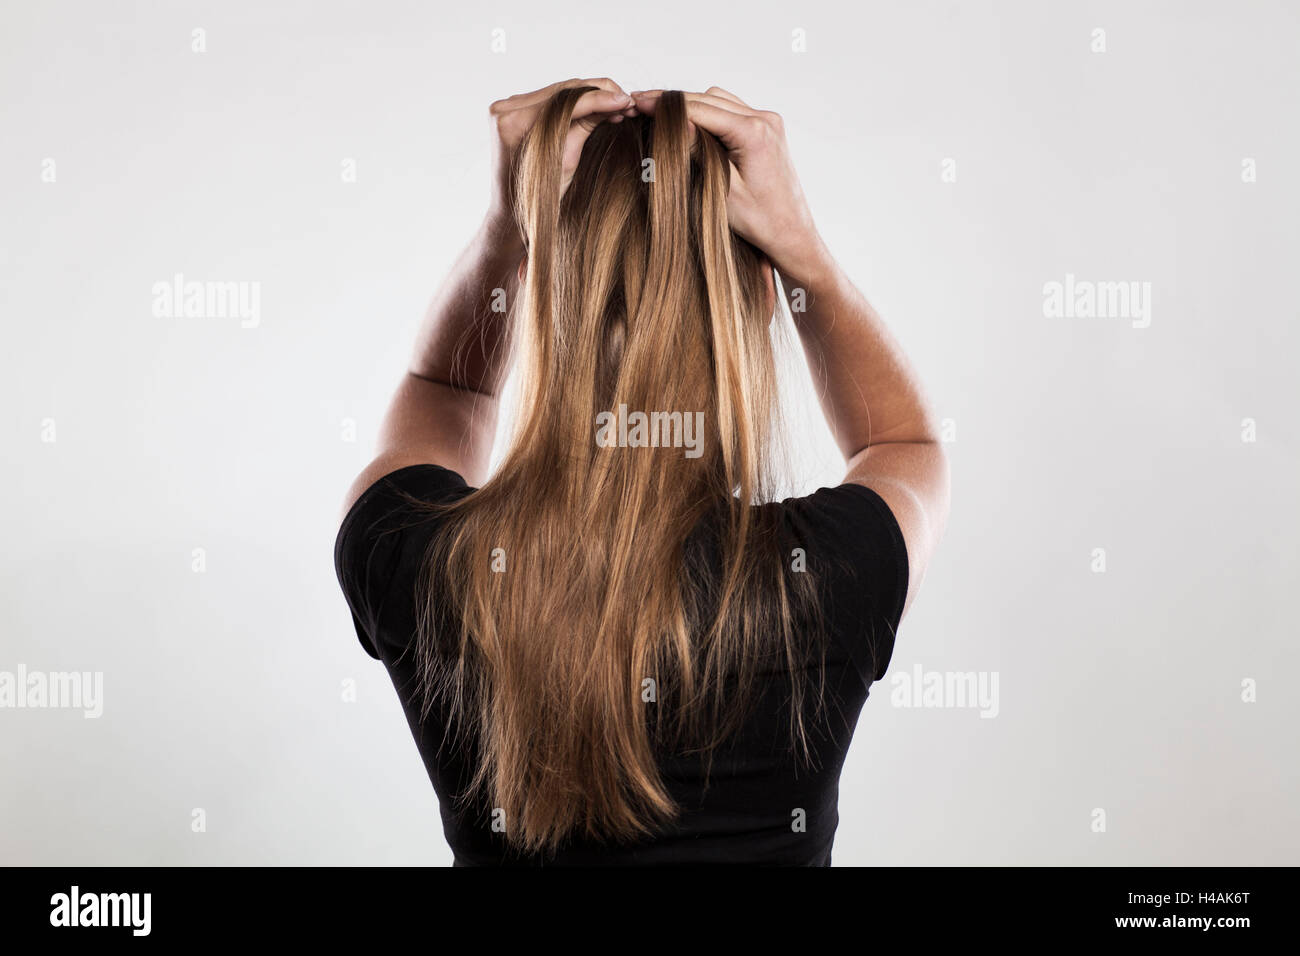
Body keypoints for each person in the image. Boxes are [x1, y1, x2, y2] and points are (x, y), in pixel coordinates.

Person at [334, 79, 950, 865]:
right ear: (764, 301)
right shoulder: (835, 574)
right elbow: (904, 443)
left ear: (542, 298)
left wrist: (505, 233)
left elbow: (445, 390)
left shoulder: (415, 561)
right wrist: (807, 256)